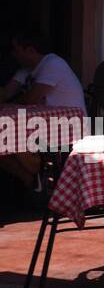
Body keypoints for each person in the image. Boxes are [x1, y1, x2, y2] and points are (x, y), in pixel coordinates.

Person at [0, 32, 87, 188]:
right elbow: (6, 93)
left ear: (31, 51)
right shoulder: (26, 70)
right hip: (35, 126)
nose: (13, 55)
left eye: (16, 50)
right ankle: (34, 181)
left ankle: (38, 176)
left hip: (65, 126)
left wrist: (13, 100)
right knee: (7, 136)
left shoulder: (53, 63)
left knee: (11, 134)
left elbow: (31, 98)